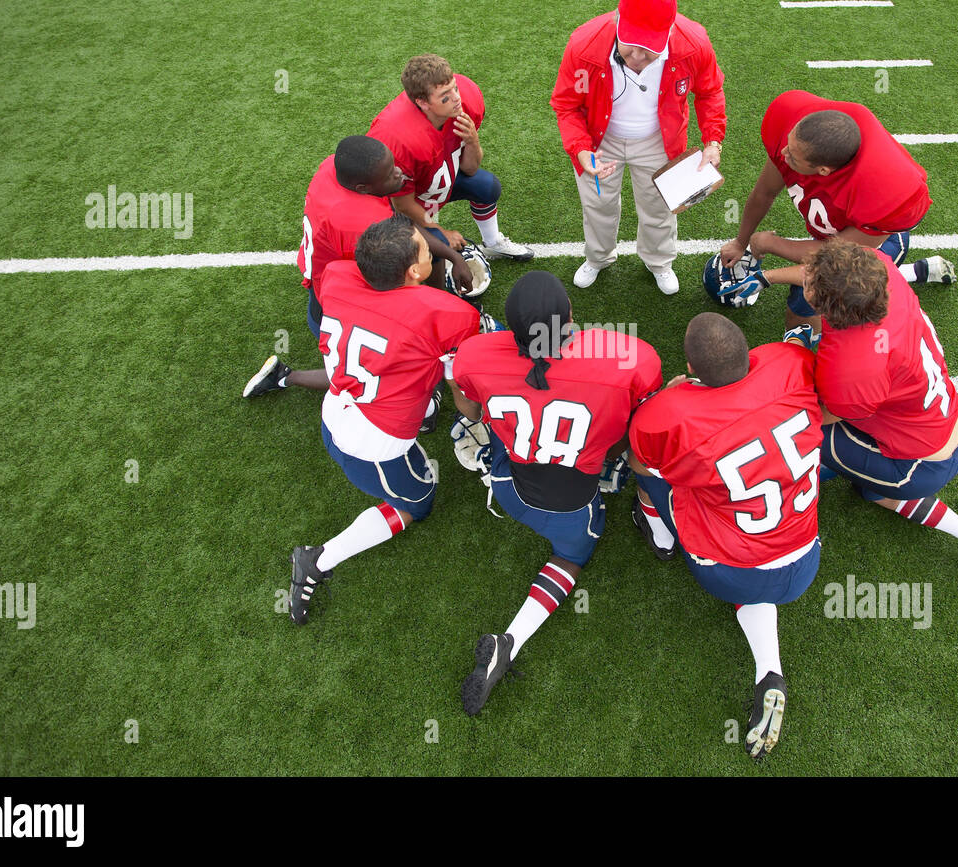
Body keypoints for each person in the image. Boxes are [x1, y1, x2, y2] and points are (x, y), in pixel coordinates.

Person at [451, 271, 662, 715]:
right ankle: (512, 637)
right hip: (570, 505)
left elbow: (469, 407)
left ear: (510, 330)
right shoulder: (624, 355)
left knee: (491, 432)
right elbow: (645, 415)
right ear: (569, 317)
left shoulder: (476, 354)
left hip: (510, 487)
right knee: (571, 556)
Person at [626, 313, 824, 760]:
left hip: (727, 573)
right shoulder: (789, 362)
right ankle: (767, 670)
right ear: (749, 352)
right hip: (805, 554)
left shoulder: (668, 414)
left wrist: (671, 396)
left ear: (692, 369)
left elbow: (642, 460)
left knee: (652, 475)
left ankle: (658, 533)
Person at [782, 240, 958, 587]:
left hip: (915, 466)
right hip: (944, 424)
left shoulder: (851, 367)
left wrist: (792, 347)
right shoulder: (879, 270)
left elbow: (818, 414)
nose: (805, 277)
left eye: (810, 281)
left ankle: (793, 507)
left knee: (792, 429)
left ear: (827, 305)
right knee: (867, 479)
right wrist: (768, 273)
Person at [286, 215, 481, 625]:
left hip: (339, 407)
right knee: (418, 499)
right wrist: (479, 419)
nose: (433, 251)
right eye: (428, 251)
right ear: (414, 271)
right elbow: (461, 391)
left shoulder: (339, 277)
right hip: (374, 445)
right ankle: (318, 559)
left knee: (417, 364)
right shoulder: (446, 313)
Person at [718, 90, 955, 331]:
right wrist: (741, 240)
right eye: (788, 143)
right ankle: (913, 272)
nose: (783, 154)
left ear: (823, 170)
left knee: (804, 307)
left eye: (794, 158)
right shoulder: (799, 138)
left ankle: (883, 275)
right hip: (837, 234)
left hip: (874, 244)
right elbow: (764, 192)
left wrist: (769, 247)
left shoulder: (886, 193)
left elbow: (833, 258)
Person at [551, 0, 726, 296]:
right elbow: (566, 104)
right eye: (631, 48)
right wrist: (580, 149)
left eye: (649, 52)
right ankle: (598, 257)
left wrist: (713, 141)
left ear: (669, 32)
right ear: (619, 21)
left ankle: (659, 262)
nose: (637, 60)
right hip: (600, 141)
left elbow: (710, 91)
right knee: (597, 204)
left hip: (661, 140)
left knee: (659, 208)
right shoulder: (584, 45)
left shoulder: (694, 43)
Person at [242, 135, 404, 398]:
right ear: (362, 187)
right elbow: (386, 279)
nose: (398, 173)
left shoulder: (333, 168)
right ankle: (285, 377)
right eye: (388, 175)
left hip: (321, 277)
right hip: (338, 295)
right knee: (361, 373)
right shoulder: (362, 223)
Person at [368, 54, 533, 294]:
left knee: (487, 186)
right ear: (423, 103)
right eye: (446, 97)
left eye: (454, 88)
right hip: (400, 205)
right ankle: (438, 293)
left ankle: (493, 241)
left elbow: (470, 168)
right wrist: (440, 231)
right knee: (437, 245)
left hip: (435, 179)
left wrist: (472, 141)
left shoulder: (467, 97)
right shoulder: (399, 138)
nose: (457, 99)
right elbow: (402, 204)